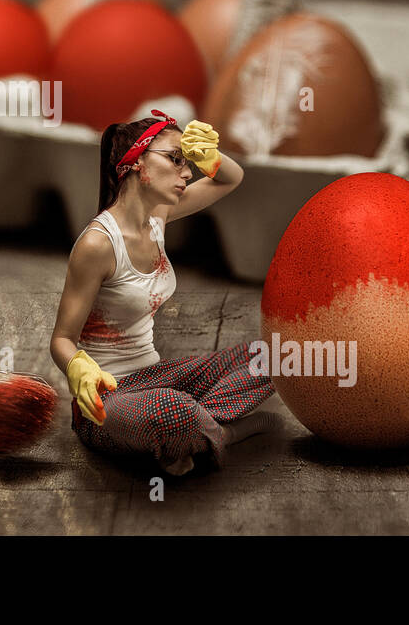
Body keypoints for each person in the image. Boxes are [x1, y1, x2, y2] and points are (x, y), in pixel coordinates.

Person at [50, 109, 278, 475]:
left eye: (188, 162)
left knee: (273, 356)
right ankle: (217, 431)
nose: (187, 173)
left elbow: (230, 180)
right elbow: (61, 338)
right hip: (109, 401)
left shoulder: (157, 218)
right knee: (172, 410)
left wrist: (212, 157)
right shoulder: (98, 244)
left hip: (155, 378)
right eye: (175, 159)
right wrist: (78, 367)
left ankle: (192, 433)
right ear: (138, 162)